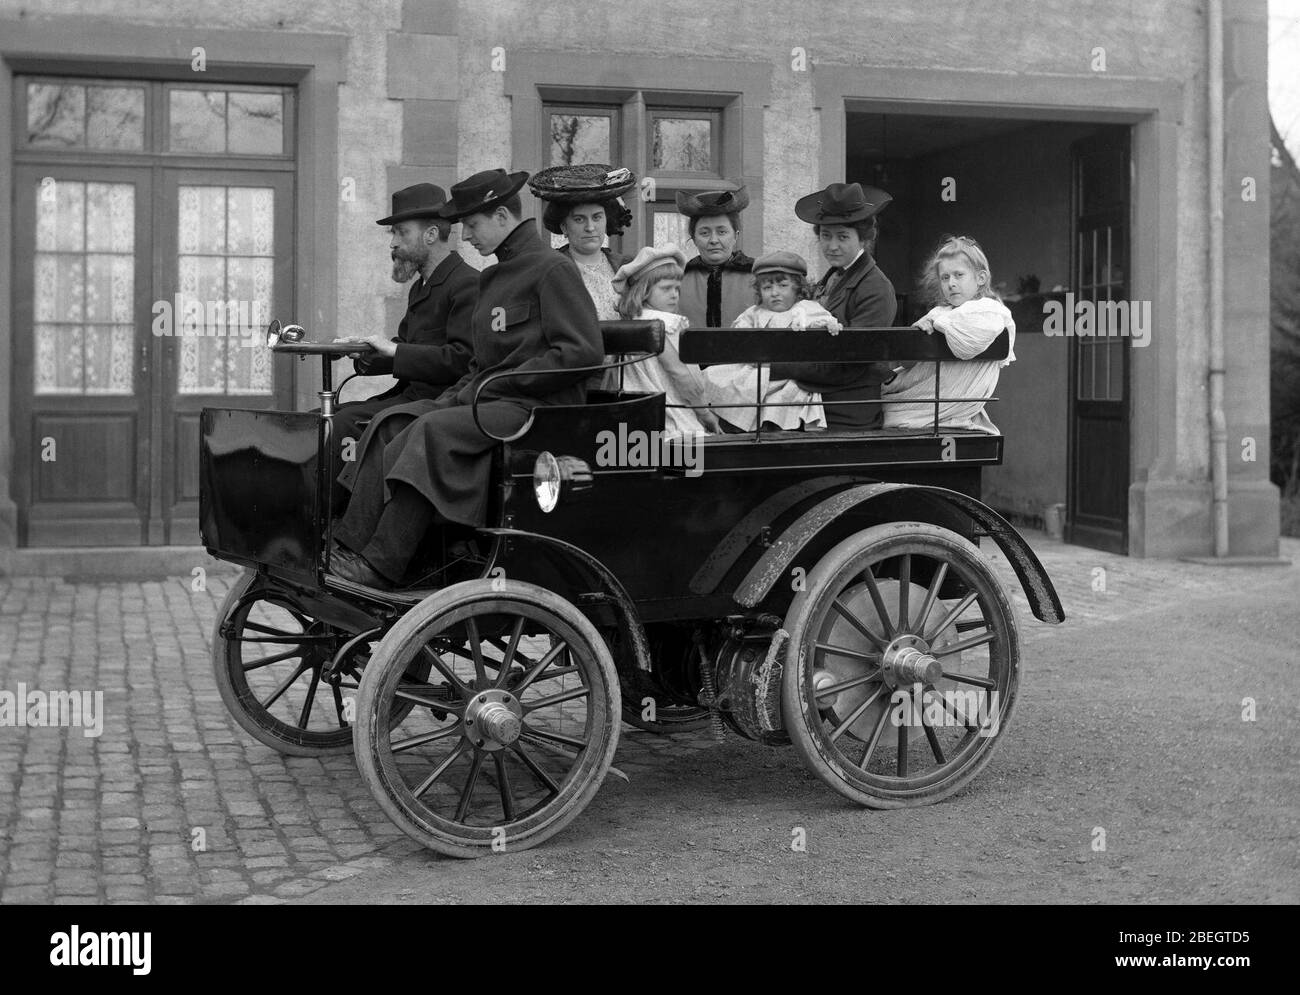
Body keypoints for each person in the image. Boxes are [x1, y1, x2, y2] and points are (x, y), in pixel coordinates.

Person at [330, 168, 604, 589]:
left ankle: (382, 565)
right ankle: (349, 547)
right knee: (395, 422)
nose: (467, 236)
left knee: (432, 433)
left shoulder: (551, 269)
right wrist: (453, 398)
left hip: (540, 411)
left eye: (472, 225)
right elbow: (480, 365)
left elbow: (582, 353)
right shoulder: (495, 277)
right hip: (493, 402)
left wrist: (505, 383)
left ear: (500, 216)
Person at [329, 184, 476, 499]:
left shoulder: (467, 285)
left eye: (401, 233)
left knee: (341, 425)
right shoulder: (421, 288)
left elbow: (462, 360)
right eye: (393, 235)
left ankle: (338, 526)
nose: (393, 244)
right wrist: (364, 351)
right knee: (322, 419)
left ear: (431, 234)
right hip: (407, 398)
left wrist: (393, 349)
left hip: (440, 405)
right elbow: (406, 347)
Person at [768, 182, 900, 430]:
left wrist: (774, 367)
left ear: (863, 239)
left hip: (847, 405)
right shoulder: (832, 277)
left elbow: (849, 363)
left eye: (843, 237)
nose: (832, 246)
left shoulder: (876, 288)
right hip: (820, 392)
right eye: (826, 236)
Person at [882, 235, 1015, 433]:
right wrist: (917, 336)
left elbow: (967, 346)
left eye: (958, 275)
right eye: (945, 277)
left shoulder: (990, 311)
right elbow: (908, 362)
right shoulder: (940, 312)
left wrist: (937, 323)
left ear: (981, 278)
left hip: (946, 405)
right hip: (920, 399)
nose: (951, 283)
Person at [704, 251, 841, 432]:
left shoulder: (804, 309)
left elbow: (823, 324)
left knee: (786, 395)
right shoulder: (755, 312)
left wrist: (830, 326)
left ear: (798, 288)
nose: (775, 293)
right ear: (759, 291)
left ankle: (767, 427)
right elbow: (739, 336)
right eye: (767, 288)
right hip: (754, 368)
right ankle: (727, 424)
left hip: (785, 374)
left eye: (783, 285)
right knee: (712, 375)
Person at [610, 245, 719, 437]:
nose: (675, 294)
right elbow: (684, 375)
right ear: (643, 291)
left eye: (677, 288)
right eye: (666, 288)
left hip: (635, 421)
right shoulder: (666, 324)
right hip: (671, 419)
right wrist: (704, 413)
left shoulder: (629, 325)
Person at [529, 163, 636, 321]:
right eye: (579, 219)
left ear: (607, 220)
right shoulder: (549, 269)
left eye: (597, 217)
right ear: (564, 227)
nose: (590, 227)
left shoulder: (627, 267)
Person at [675, 185, 754, 329]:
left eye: (722, 232)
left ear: (735, 236)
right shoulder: (679, 277)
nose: (713, 240)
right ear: (693, 238)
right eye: (704, 233)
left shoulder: (756, 275)